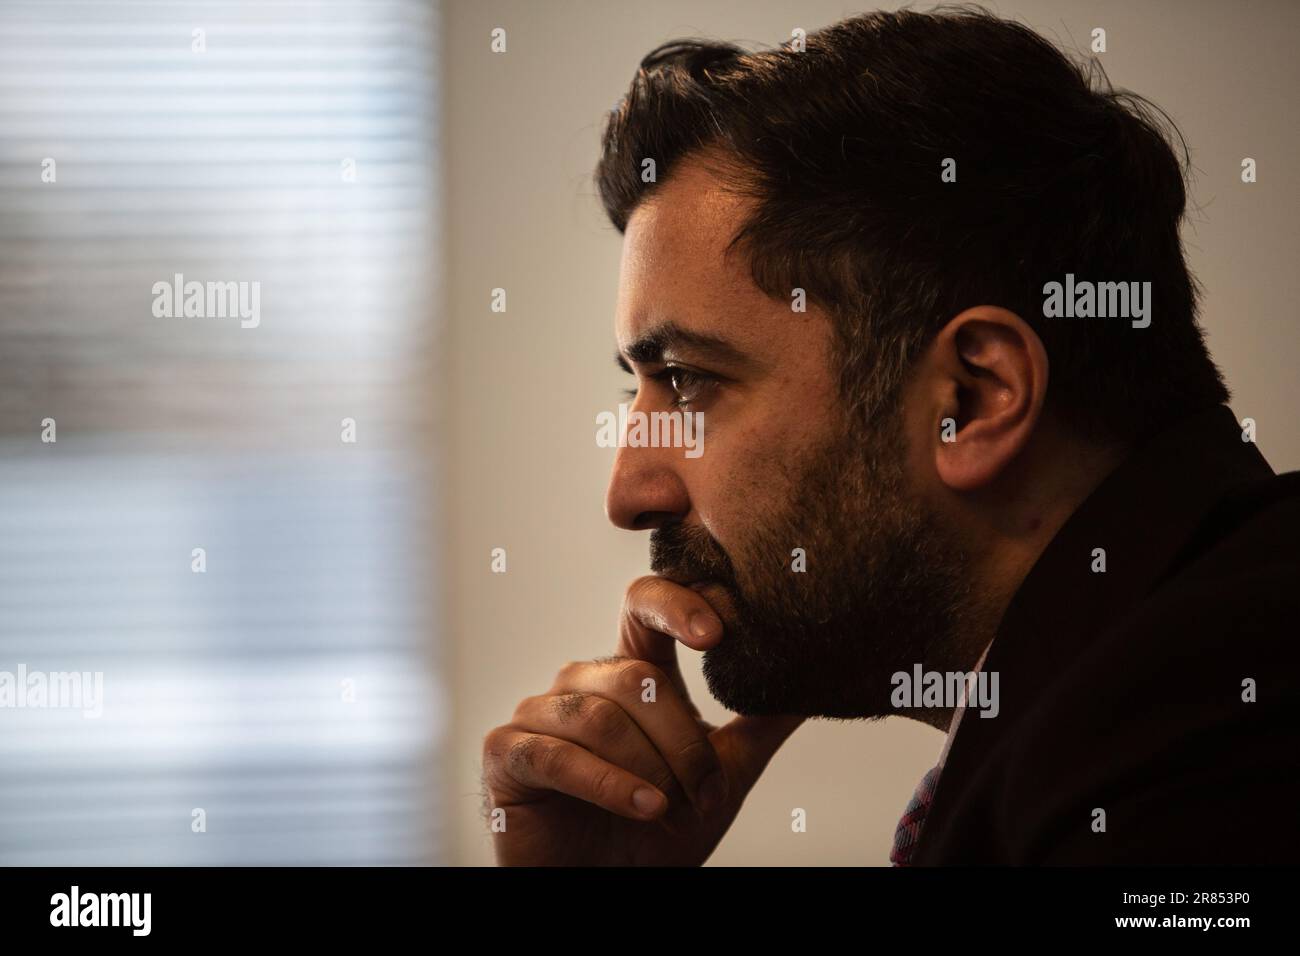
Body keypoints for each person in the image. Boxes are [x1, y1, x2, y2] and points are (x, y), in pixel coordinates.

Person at [480, 7, 1300, 865]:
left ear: (974, 399)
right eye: (637, 388)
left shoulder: (1212, 756)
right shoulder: (1141, 702)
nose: (629, 494)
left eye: (689, 380)